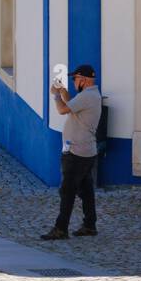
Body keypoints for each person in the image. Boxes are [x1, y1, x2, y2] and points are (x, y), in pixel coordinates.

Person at [41, 65, 102, 240]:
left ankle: (61, 229)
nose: (74, 82)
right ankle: (90, 225)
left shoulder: (87, 96)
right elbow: (70, 105)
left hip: (76, 152)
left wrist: (55, 95)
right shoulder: (89, 96)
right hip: (86, 151)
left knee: (67, 191)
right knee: (86, 190)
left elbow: (62, 110)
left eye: (75, 79)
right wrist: (63, 92)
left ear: (83, 80)